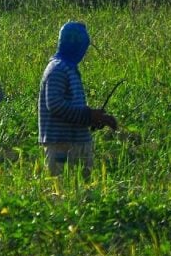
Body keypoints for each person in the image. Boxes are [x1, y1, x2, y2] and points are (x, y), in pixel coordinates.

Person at [38, 21, 118, 176]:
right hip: (61, 145)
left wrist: (93, 119)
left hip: (77, 142)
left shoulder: (70, 69)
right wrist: (89, 115)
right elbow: (54, 104)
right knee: (62, 192)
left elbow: (73, 108)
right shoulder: (57, 69)